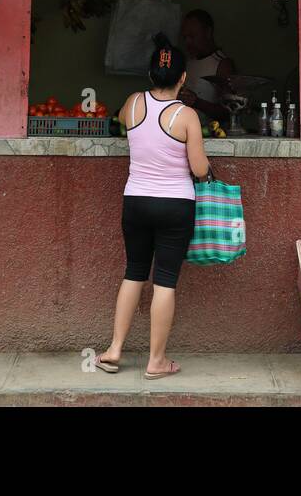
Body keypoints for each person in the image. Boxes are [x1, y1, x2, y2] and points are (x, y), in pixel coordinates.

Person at [96, 32, 210, 379]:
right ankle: (156, 361)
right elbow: (200, 169)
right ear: (183, 78)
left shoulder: (131, 104)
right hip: (175, 205)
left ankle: (114, 350)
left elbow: (127, 130)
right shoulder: (186, 115)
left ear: (150, 76)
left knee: (134, 272)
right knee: (164, 281)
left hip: (136, 201)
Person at [178, 9, 235, 124]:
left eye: (192, 36)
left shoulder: (222, 64)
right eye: (185, 37)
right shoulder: (188, 63)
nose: (188, 42)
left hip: (211, 136)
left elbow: (228, 111)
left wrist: (197, 102)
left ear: (208, 32)